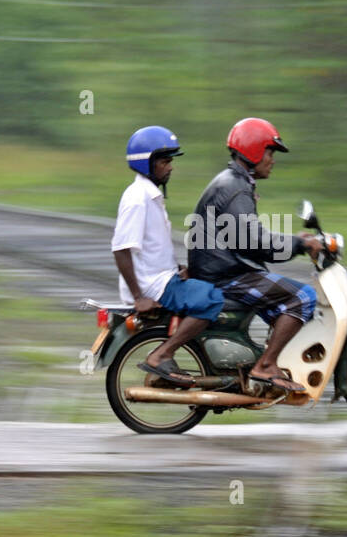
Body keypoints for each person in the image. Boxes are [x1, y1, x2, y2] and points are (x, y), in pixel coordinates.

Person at [187, 117, 324, 393]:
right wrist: (299, 245)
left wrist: (296, 241)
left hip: (222, 268)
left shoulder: (235, 183)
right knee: (303, 296)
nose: (272, 160)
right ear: (252, 150)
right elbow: (256, 242)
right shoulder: (235, 188)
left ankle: (269, 361)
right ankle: (265, 365)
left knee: (281, 295)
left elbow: (250, 235)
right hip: (227, 275)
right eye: (270, 152)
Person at [111, 125, 224, 388]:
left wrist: (178, 268)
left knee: (211, 284)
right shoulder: (137, 199)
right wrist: (139, 297)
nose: (170, 167)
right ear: (146, 163)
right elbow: (121, 248)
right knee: (211, 298)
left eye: (170, 161)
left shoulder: (151, 195)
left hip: (161, 277)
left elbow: (153, 247)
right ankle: (163, 353)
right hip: (152, 285)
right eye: (164, 161)